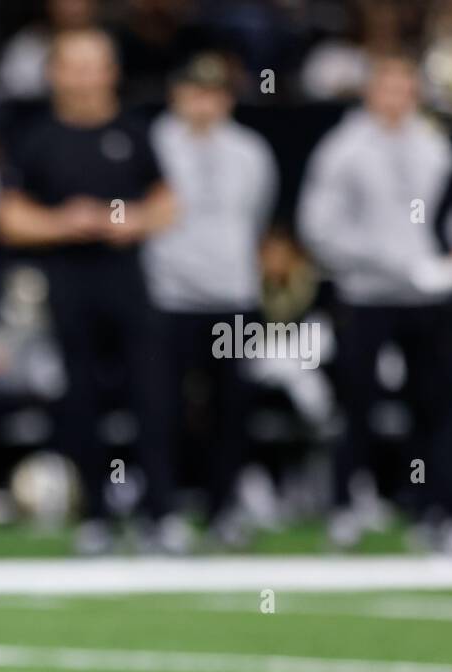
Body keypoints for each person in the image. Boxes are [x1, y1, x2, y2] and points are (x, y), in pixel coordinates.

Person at [0, 28, 180, 554]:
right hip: (68, 279)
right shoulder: (35, 135)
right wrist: (64, 222)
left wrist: (131, 219)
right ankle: (94, 513)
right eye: (72, 65)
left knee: (151, 393)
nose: (82, 76)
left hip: (128, 277)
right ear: (54, 72)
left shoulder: (135, 130)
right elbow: (8, 218)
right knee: (79, 398)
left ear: (110, 71)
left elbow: (168, 204)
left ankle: (160, 511)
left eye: (93, 64)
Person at [299, 53, 452, 549]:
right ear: (370, 92)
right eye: (386, 87)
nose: (396, 98)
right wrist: (392, 264)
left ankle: (435, 508)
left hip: (432, 298)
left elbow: (450, 214)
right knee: (356, 404)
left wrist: (450, 259)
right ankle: (346, 506)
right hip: (366, 296)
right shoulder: (343, 149)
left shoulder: (436, 146)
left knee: (437, 405)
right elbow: (319, 228)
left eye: (405, 88)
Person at [143, 54, 277, 545]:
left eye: (214, 93)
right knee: (163, 410)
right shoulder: (153, 143)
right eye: (194, 92)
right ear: (177, 94)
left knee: (231, 410)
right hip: (168, 296)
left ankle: (224, 509)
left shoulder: (250, 151)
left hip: (232, 296)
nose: (203, 103)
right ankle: (162, 511)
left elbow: (255, 217)